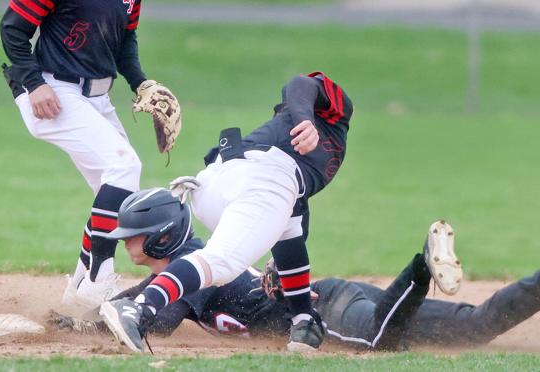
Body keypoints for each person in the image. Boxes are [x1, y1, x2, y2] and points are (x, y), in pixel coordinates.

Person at [53, 192, 540, 351]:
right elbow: (142, 301)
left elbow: (146, 313)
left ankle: (421, 265)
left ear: (158, 236)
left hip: (332, 314)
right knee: (478, 327)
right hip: (335, 294)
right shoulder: (198, 261)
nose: (127, 246)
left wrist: (80, 327)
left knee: (373, 342)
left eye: (132, 237)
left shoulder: (190, 272)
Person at [99, 72, 354, 352]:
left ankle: (303, 323)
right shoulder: (328, 119)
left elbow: (290, 236)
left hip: (216, 183)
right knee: (221, 262)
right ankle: (140, 309)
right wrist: (306, 118)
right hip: (262, 176)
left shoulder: (292, 173)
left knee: (269, 234)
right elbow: (301, 83)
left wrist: (302, 314)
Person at [0, 0, 165, 308]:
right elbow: (13, 29)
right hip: (52, 91)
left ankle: (76, 296)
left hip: (96, 96)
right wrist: (33, 83)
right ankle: (98, 276)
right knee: (124, 164)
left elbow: (125, 39)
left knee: (120, 192)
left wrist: (140, 82)